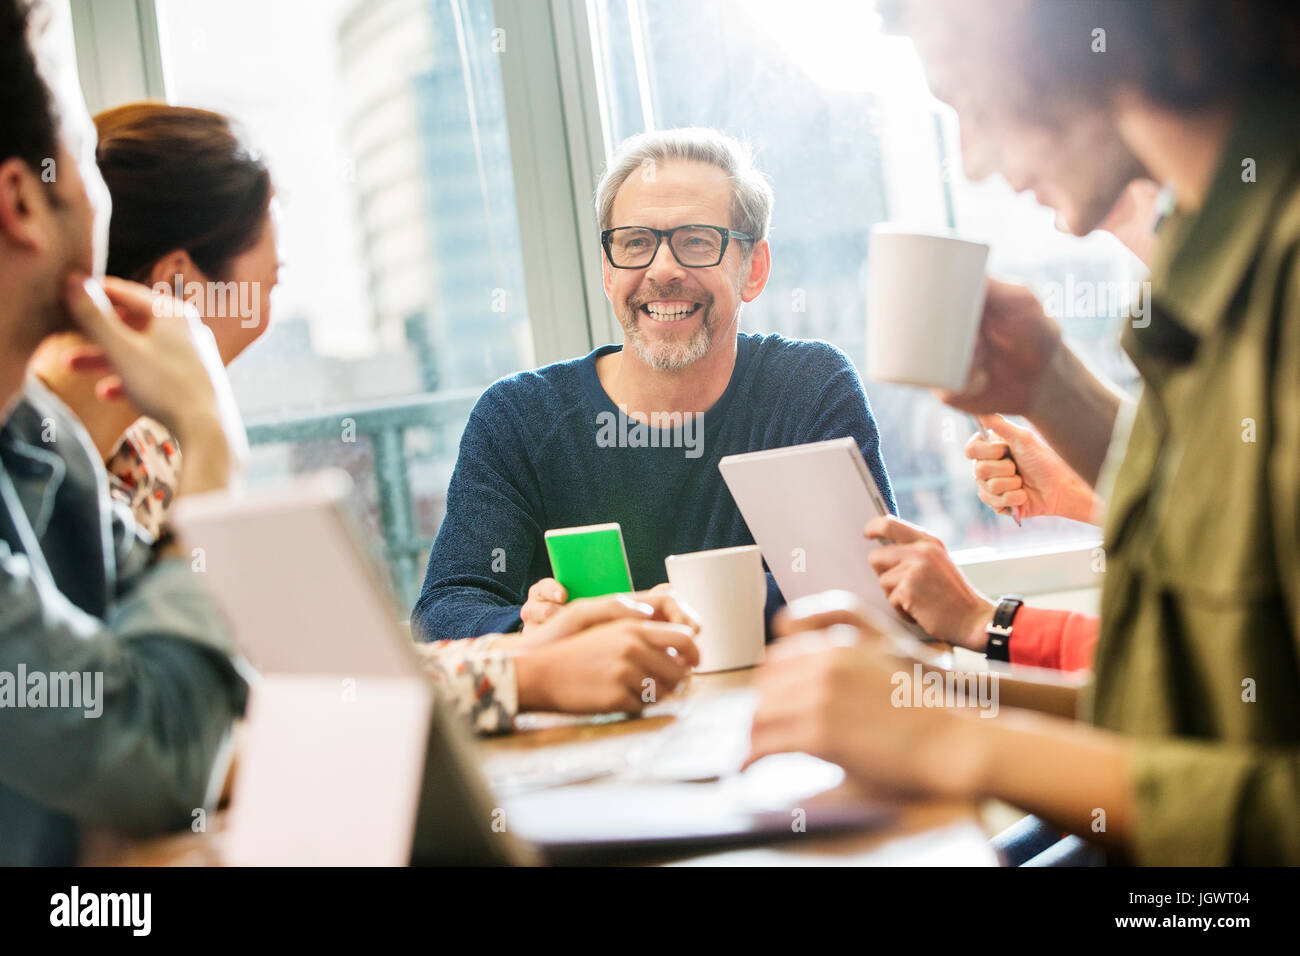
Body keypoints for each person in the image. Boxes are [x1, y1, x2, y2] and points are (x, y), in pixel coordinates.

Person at [750, 0, 1300, 865]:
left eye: (970, 96)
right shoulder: (1211, 254)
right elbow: (1193, 720)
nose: (971, 162)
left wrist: (951, 738)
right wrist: (924, 692)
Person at [23, 101, 702, 734]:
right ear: (178, 285)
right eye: (271, 279)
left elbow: (294, 685)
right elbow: (221, 722)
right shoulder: (109, 465)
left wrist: (530, 656)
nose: (265, 307)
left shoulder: (128, 456)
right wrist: (529, 673)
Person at [413, 127, 894, 641]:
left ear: (754, 269)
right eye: (636, 243)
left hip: (775, 713)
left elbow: (873, 585)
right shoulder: (517, 419)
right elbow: (445, 610)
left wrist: (669, 609)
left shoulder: (809, 388)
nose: (662, 270)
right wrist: (533, 627)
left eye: (696, 242)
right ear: (607, 270)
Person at [0, 0, 250, 865]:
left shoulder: (41, 440)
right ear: (22, 200)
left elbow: (179, 678)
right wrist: (212, 446)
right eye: (82, 149)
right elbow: (165, 750)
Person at [30, 103, 278, 538]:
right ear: (176, 288)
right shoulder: (161, 459)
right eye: (270, 285)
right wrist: (213, 439)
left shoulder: (140, 450)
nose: (265, 323)